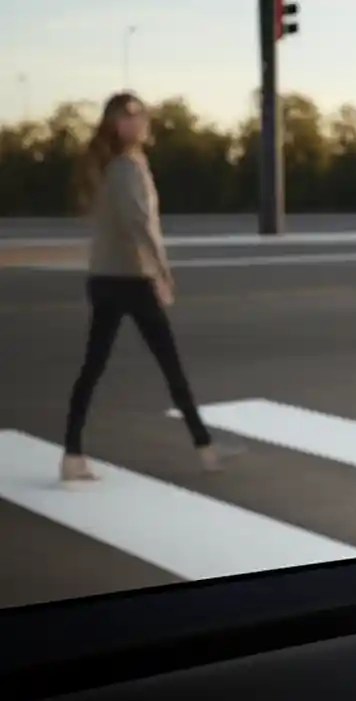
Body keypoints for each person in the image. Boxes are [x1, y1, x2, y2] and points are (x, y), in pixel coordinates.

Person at [60, 92, 227, 481]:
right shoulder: (127, 167)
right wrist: (162, 273)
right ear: (114, 124)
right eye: (127, 116)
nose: (136, 122)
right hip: (132, 280)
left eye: (139, 115)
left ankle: (72, 455)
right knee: (169, 365)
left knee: (93, 367)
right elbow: (140, 225)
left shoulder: (104, 166)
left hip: (103, 279)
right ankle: (205, 449)